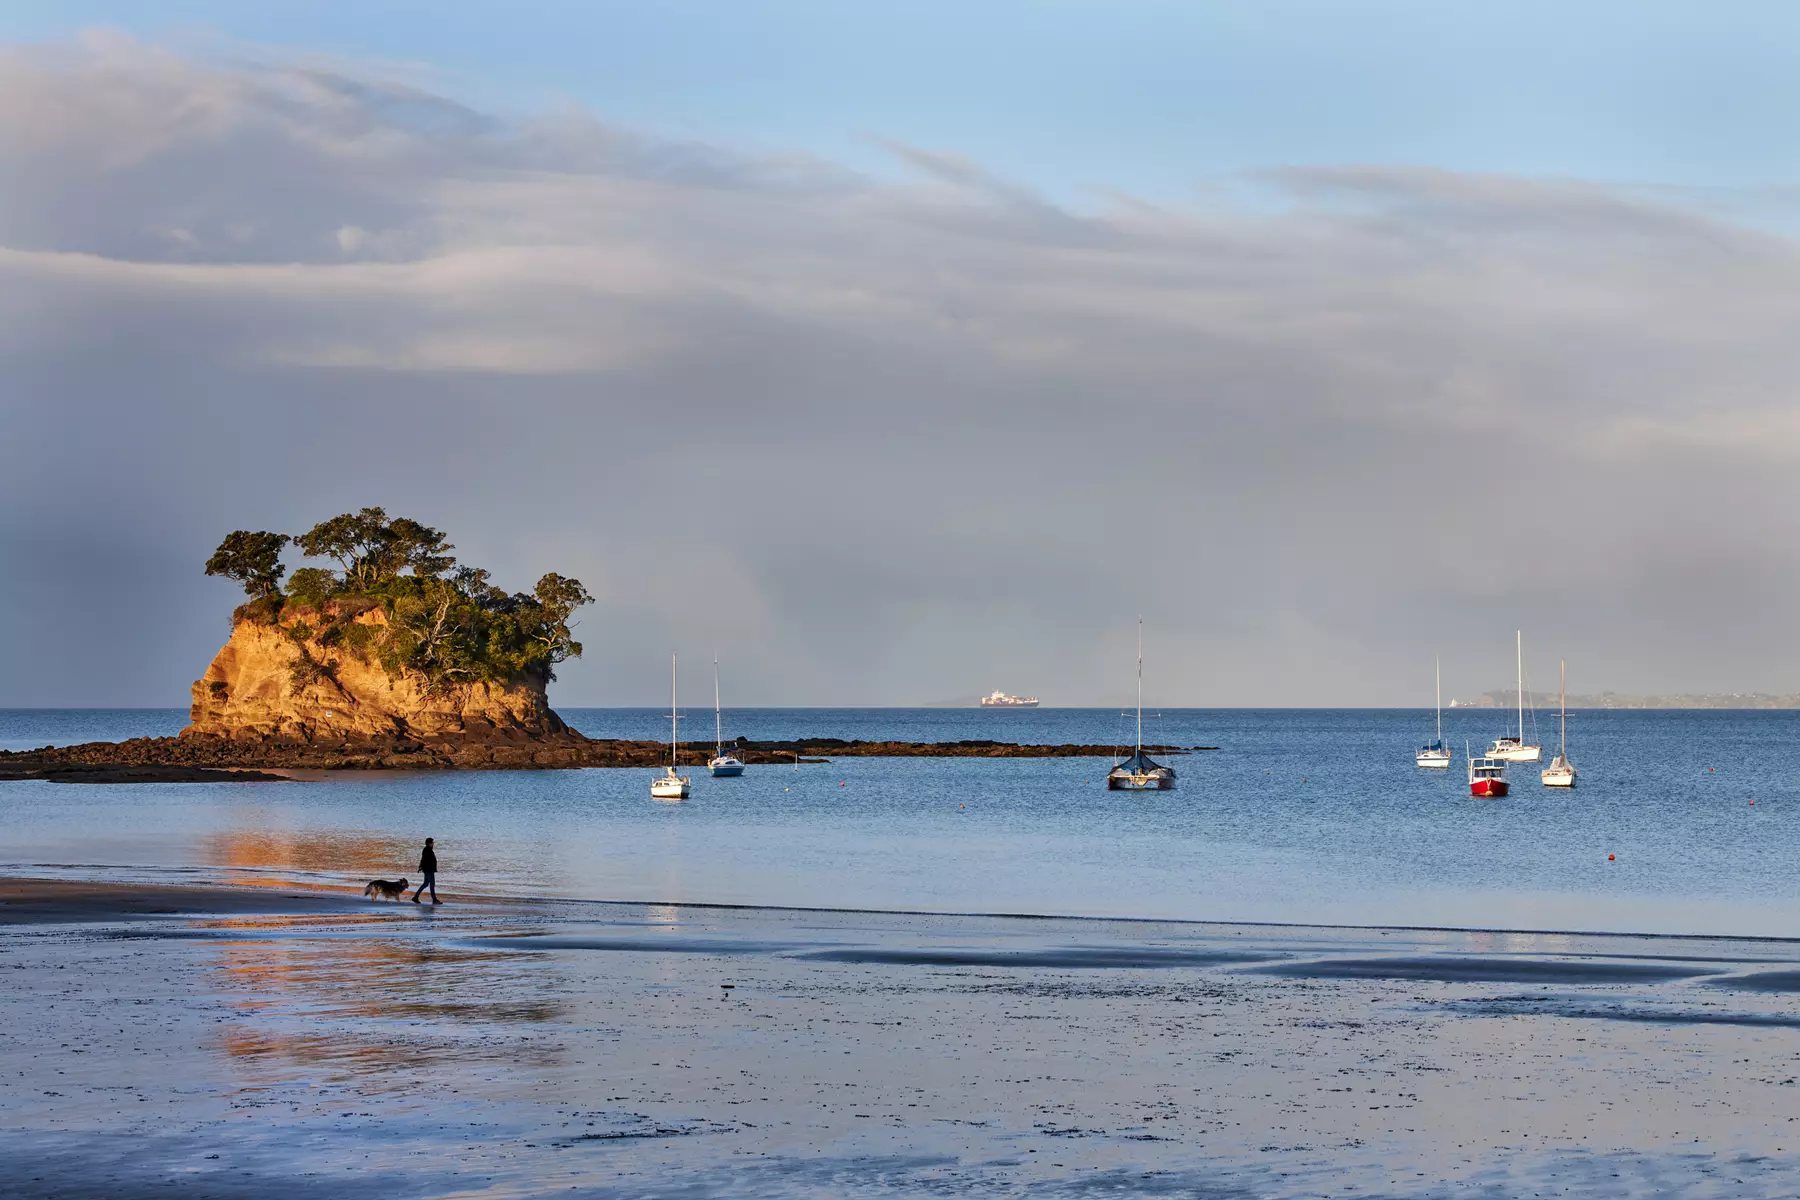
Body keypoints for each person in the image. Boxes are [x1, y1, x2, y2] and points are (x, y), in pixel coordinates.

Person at [411, 838, 440, 904]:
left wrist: (420, 867)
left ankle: (415, 897)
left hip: (427, 870)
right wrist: (422, 867)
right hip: (429, 871)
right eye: (432, 842)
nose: (433, 844)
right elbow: (426, 861)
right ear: (429, 843)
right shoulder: (428, 850)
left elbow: (423, 859)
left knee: (425, 884)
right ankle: (434, 900)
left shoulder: (426, 850)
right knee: (432, 885)